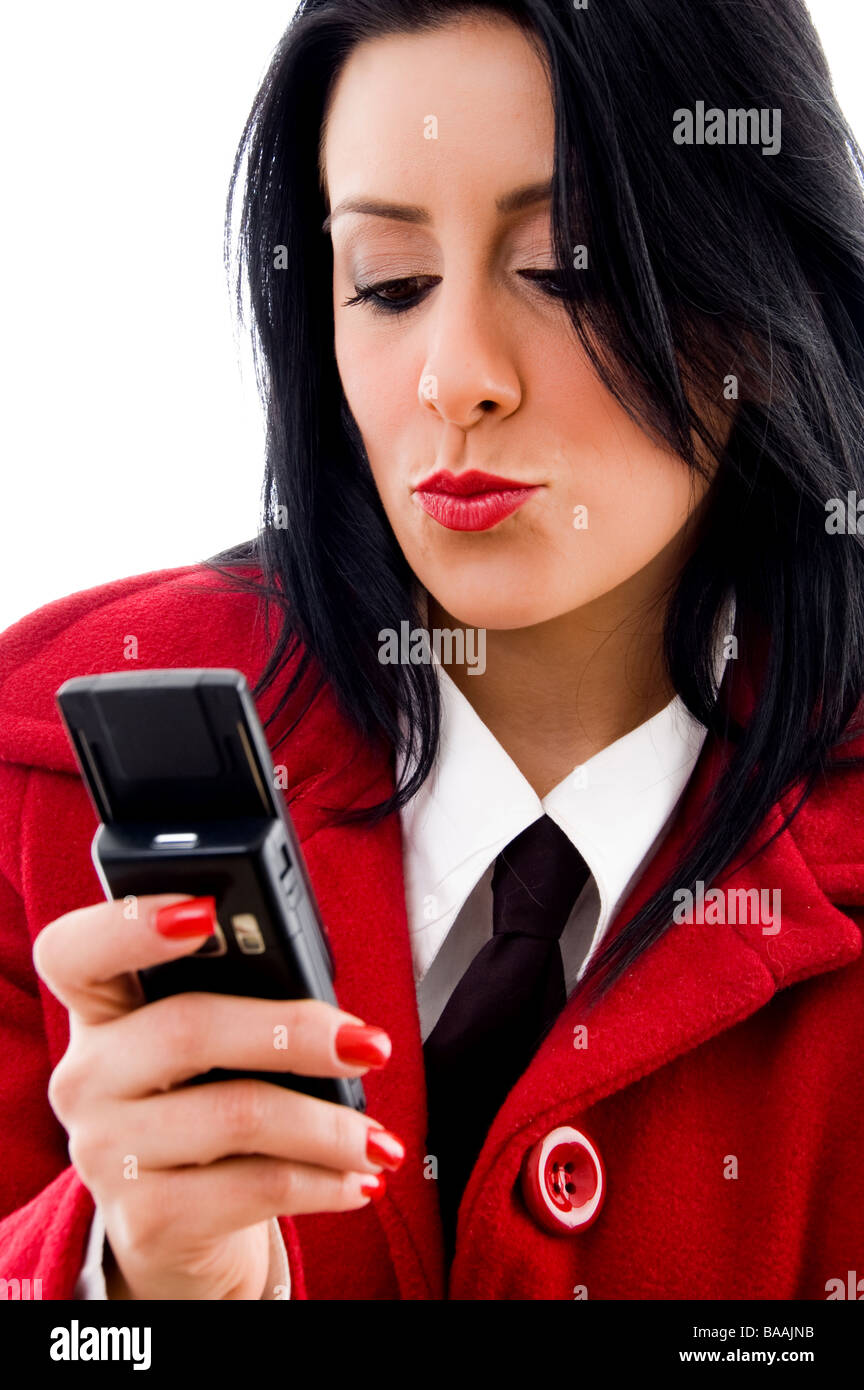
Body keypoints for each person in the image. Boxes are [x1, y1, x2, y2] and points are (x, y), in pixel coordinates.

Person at [1, 0, 863, 1301]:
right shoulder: (43, 772)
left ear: (758, 293)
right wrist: (127, 1284)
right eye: (389, 285)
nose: (454, 377)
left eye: (568, 267)